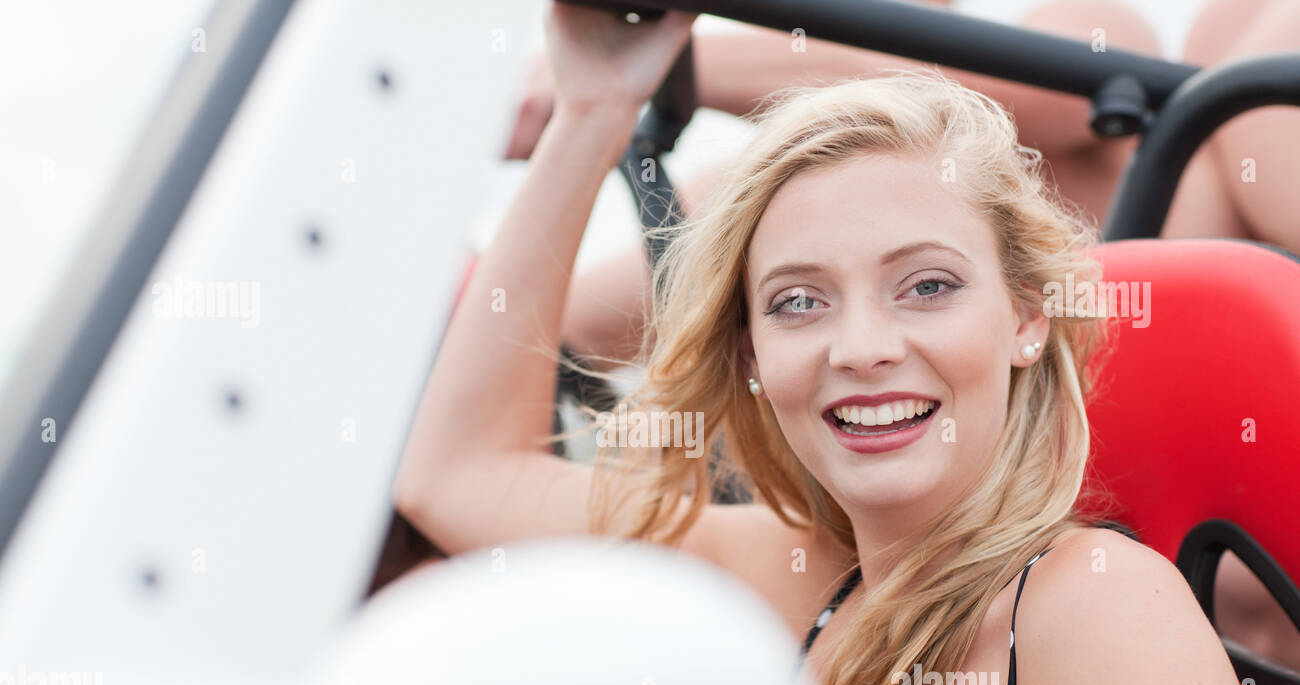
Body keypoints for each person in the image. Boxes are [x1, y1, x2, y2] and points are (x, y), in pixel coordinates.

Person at [392, 2, 1280, 685]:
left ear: (1027, 318)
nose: (859, 349)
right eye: (798, 302)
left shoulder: (1099, 610)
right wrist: (593, 108)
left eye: (927, 286)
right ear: (752, 354)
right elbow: (460, 475)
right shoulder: (793, 586)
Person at [498, 0, 1300, 370]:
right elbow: (554, 328)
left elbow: (1030, 93)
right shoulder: (790, 197)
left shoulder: (1113, 49)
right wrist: (587, 114)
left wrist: (674, 68)